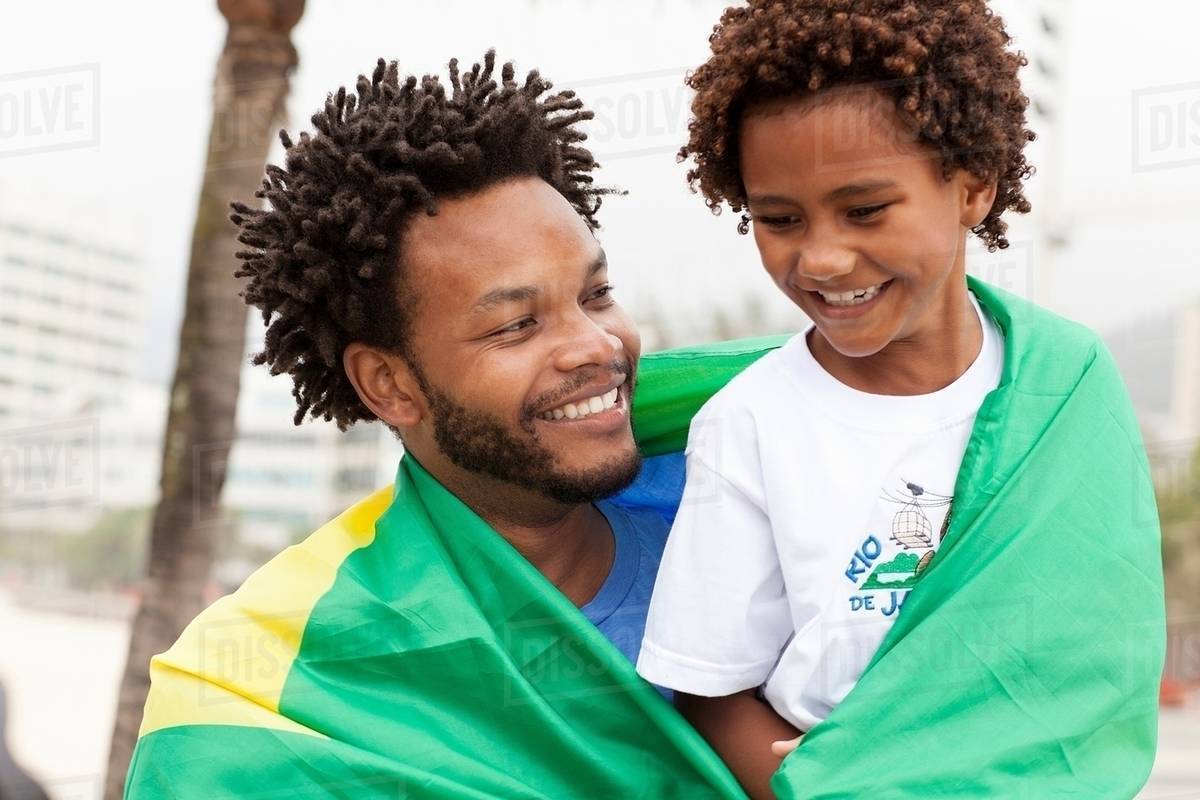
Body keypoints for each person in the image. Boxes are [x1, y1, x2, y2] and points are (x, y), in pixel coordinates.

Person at [123, 52, 751, 798]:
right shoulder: (271, 699)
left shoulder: (770, 497)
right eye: (517, 325)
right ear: (389, 384)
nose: (596, 345)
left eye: (598, 292)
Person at [636, 2, 1165, 799]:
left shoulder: (1066, 384)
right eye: (778, 219)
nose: (820, 256)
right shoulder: (749, 424)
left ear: (972, 187)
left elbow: (1098, 655)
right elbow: (710, 687)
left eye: (865, 210)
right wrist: (824, 786)